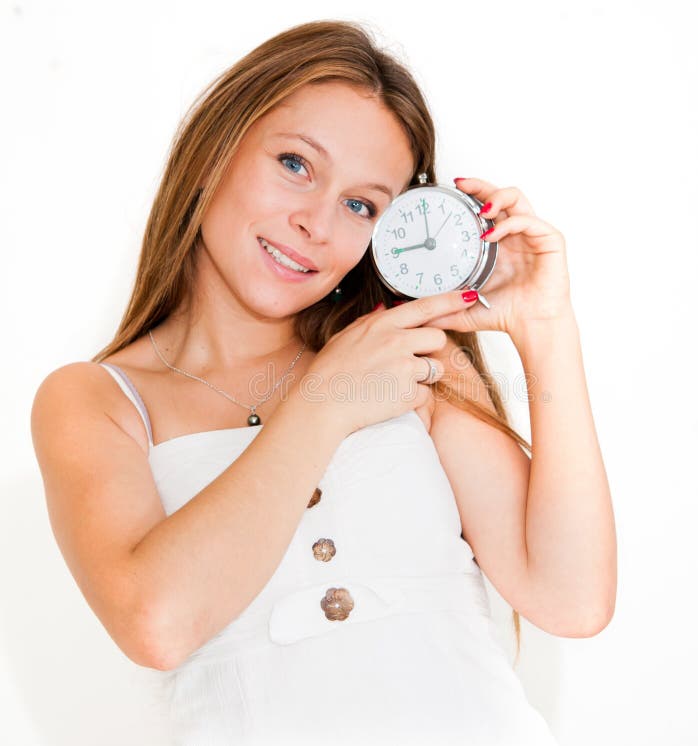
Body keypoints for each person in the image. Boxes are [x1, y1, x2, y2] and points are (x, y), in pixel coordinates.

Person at [30, 18, 616, 746]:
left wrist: (547, 327)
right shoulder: (94, 402)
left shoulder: (412, 361)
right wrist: (324, 403)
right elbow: (157, 623)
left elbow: (572, 597)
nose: (315, 223)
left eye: (361, 204)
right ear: (215, 151)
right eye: (296, 165)